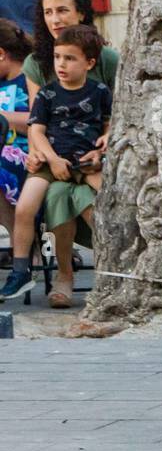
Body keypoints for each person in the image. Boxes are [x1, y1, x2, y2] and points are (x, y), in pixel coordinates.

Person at [0, 25, 109, 305]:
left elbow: (110, 124)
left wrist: (106, 139)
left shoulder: (99, 91)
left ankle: (116, 271)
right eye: (58, 57)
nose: (61, 64)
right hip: (53, 160)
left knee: (109, 207)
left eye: (70, 58)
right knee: (25, 207)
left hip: (86, 162)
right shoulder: (48, 94)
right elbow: (36, 130)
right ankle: (21, 269)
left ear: (90, 63)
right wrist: (51, 158)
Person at [0, 19, 34, 245]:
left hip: (28, 150)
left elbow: (38, 120)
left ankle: (21, 244)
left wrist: (2, 119)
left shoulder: (31, 79)